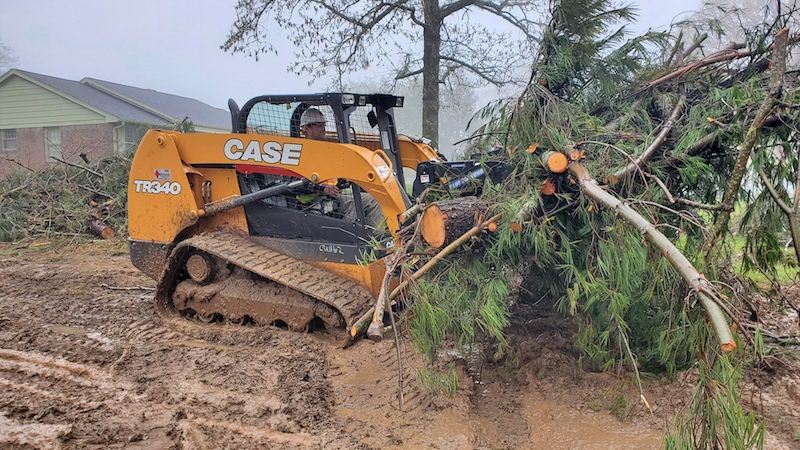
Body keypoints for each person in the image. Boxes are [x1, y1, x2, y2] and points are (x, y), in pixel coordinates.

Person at [299, 108, 384, 230]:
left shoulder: (325, 150)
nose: (323, 128)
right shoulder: (299, 152)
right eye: (318, 125)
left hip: (335, 194)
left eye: (323, 125)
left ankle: (376, 237)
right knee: (355, 202)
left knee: (374, 199)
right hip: (314, 200)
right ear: (306, 128)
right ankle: (348, 235)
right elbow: (296, 183)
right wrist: (323, 189)